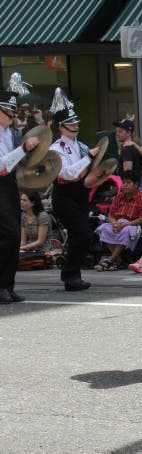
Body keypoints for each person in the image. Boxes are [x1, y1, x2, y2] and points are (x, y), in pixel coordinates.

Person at [49, 87, 100, 291]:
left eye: (76, 121)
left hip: (80, 194)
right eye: (71, 123)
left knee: (81, 235)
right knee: (82, 233)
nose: (75, 125)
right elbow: (67, 174)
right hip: (64, 195)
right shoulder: (56, 149)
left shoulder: (82, 145)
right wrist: (88, 158)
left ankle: (73, 275)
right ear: (62, 127)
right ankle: (70, 274)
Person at [0, 85, 40, 303]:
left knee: (13, 234)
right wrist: (23, 149)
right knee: (10, 234)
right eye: (9, 113)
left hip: (9, 183)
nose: (12, 117)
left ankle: (7, 285)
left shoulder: (10, 133)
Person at [93, 170, 142, 271]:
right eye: (124, 182)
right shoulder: (119, 196)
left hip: (135, 226)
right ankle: (119, 260)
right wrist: (114, 223)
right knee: (103, 228)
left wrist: (125, 224)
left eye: (128, 183)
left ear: (136, 185)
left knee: (125, 230)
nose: (124, 185)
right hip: (119, 223)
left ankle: (110, 261)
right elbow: (111, 215)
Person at [19, 191, 54, 258]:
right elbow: (23, 241)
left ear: (33, 203)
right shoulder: (23, 217)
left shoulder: (42, 216)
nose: (21, 202)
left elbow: (40, 241)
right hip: (29, 250)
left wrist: (22, 248)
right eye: (21, 200)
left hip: (44, 250)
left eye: (24, 200)